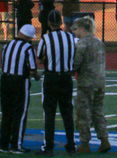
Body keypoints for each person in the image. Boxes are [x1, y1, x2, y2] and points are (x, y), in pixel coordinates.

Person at [37, 11, 77, 155]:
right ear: (61, 22)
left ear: (48, 23)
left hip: (51, 77)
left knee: (49, 113)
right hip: (66, 78)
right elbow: (75, 57)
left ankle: (49, 146)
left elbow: (40, 59)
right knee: (67, 112)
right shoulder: (70, 38)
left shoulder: (46, 38)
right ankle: (71, 145)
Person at [71, 16, 111, 154]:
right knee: (98, 111)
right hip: (100, 81)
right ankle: (104, 139)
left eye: (75, 29)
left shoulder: (82, 43)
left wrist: (70, 70)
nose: (74, 33)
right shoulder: (99, 42)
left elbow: (76, 63)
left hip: (86, 82)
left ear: (82, 28)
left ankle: (84, 143)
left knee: (83, 113)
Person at [0, 24, 40, 153]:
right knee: (20, 114)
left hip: (5, 80)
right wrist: (37, 76)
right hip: (20, 81)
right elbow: (33, 69)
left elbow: (3, 63)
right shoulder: (28, 47)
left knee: (6, 113)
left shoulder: (7, 45)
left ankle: (3, 144)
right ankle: (16, 144)